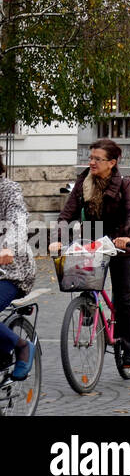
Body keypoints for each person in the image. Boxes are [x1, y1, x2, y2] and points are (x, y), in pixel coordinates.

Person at [54, 139, 130, 371]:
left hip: (120, 242)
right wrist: (59, 239)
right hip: (93, 238)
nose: (91, 162)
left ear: (112, 163)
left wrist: (127, 236)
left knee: (123, 297)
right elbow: (67, 214)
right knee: (84, 280)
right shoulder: (84, 182)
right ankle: (89, 305)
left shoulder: (124, 185)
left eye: (97, 159)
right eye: (90, 158)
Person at [0, 149, 36, 380]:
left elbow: (17, 220)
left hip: (10, 272)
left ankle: (22, 345)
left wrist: (8, 247)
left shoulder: (8, 189)